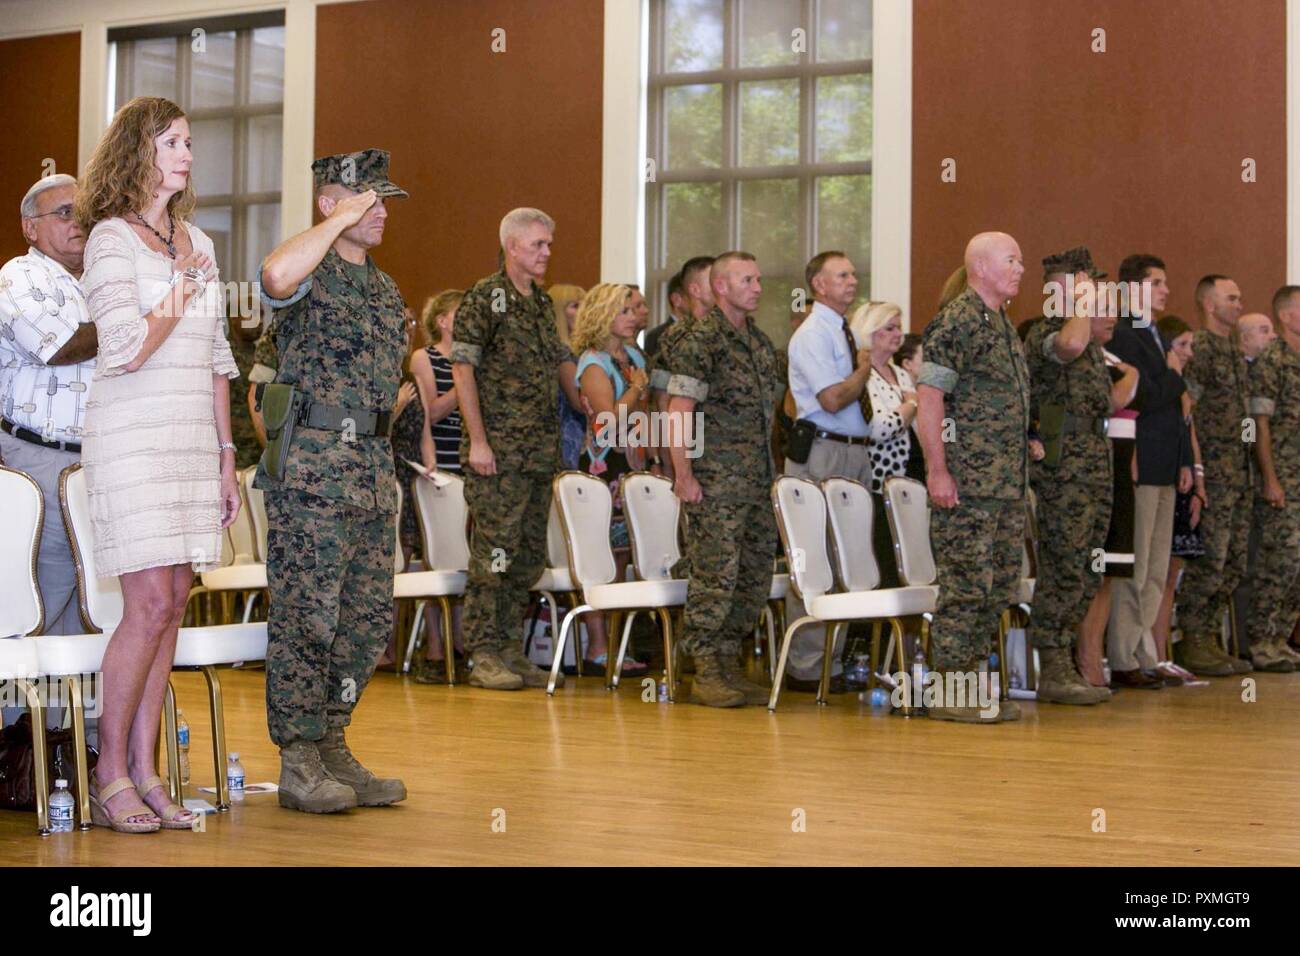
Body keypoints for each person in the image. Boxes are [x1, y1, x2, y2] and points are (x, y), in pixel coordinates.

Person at [75, 96, 239, 831]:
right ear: (138, 150)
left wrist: (227, 455)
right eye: (173, 141)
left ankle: (148, 770)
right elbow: (124, 348)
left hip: (190, 444)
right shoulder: (110, 240)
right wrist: (181, 287)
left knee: (173, 601)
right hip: (132, 438)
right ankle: (108, 771)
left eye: (190, 142)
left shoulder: (199, 241)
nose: (187, 154)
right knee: (144, 604)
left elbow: (217, 360)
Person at [255, 148, 410, 813]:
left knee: (365, 623)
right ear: (329, 205)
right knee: (306, 618)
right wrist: (331, 220)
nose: (380, 213)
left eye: (384, 202)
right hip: (314, 470)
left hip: (372, 469)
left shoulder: (384, 287)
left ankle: (333, 741)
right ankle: (297, 758)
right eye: (366, 200)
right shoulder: (308, 270)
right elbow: (273, 274)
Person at [452, 208, 572, 691]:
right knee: (494, 554)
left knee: (525, 557)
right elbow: (463, 371)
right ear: (512, 246)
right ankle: (483, 653)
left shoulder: (541, 304)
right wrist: (478, 440)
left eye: (549, 244)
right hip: (498, 452)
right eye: (538, 244)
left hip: (537, 452)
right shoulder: (487, 297)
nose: (546, 252)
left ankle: (509, 648)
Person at [917, 232, 1030, 722]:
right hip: (967, 484)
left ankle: (972, 682)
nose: (1022, 268)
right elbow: (930, 400)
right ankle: (949, 691)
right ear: (981, 267)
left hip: (1003, 485)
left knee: (999, 588)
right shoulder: (957, 320)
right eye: (1012, 259)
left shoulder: (1002, 324)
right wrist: (937, 470)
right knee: (966, 587)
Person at [666, 251, 782, 707]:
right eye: (747, 280)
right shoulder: (701, 341)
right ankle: (705, 669)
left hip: (754, 480)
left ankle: (728, 661)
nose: (757, 287)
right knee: (715, 575)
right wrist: (683, 474)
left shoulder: (757, 341)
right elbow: (679, 411)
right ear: (720, 288)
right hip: (715, 481)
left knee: (751, 576)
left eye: (758, 278)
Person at [1025, 247, 1138, 704]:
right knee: (1064, 564)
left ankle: (1067, 659)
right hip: (1063, 468)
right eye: (1086, 282)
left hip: (1094, 461)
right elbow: (1068, 345)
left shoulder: (1093, 347)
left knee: (1090, 566)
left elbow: (1108, 404)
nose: (1096, 291)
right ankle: (1053, 665)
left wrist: (1131, 375)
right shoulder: (1046, 332)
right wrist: (1082, 303)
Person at [0, 174, 95, 640]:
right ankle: (20, 710)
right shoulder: (20, 276)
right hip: (40, 454)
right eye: (63, 213)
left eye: (84, 212)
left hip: (94, 457)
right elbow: (60, 347)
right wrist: (134, 321)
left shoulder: (97, 278)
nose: (78, 222)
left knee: (89, 588)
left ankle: (66, 714)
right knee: (45, 583)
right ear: (30, 227)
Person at [780, 251, 871, 691]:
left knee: (846, 557)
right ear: (818, 284)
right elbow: (833, 399)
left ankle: (831, 663)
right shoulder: (813, 334)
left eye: (853, 274)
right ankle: (805, 665)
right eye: (842, 275)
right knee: (815, 556)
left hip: (852, 451)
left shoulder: (843, 330)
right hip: (823, 450)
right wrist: (865, 370)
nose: (852, 281)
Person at [1103, 255, 1192, 688]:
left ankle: (1146, 652)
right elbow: (1140, 397)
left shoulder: (1151, 332)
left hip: (1163, 462)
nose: (1165, 291)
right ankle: (1122, 656)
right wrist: (1175, 376)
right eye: (1157, 283)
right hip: (1140, 460)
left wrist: (1184, 462)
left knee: (1157, 569)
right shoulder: (1123, 331)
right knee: (1135, 567)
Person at [571, 282, 651, 675]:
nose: (638, 314)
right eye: (627, 309)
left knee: (625, 556)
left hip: (634, 462)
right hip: (605, 467)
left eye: (637, 308)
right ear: (604, 314)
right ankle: (598, 646)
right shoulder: (593, 363)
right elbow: (606, 423)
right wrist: (636, 388)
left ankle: (621, 644)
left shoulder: (635, 355)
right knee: (603, 557)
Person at [1176, 275, 1254, 676]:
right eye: (1232, 298)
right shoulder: (1202, 348)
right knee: (1209, 558)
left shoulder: (1233, 351)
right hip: (1215, 474)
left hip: (1238, 473)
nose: (1240, 305)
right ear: (1209, 304)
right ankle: (1192, 638)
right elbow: (1188, 409)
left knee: (1233, 563)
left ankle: (1208, 636)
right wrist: (1197, 466)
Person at [1244, 288, 1300, 669]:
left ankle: (1281, 638)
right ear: (1284, 315)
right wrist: (1270, 477)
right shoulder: (1272, 361)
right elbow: (1259, 423)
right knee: (1279, 560)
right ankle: (1262, 640)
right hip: (1284, 477)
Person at [849, 300, 919, 588]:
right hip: (876, 481)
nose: (897, 335)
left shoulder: (900, 374)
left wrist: (910, 409)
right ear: (869, 332)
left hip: (908, 478)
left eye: (899, 328)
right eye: (889, 328)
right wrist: (909, 406)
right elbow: (878, 427)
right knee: (882, 560)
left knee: (909, 560)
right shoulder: (861, 373)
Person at [1151, 316, 1205, 665]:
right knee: (1160, 571)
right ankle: (1153, 652)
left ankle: (1161, 653)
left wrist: (1199, 479)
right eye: (1182, 345)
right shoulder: (1166, 384)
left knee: (1172, 573)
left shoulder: (1183, 386)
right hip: (1164, 476)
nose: (1188, 353)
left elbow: (1189, 433)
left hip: (1184, 480)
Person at [648, 256, 714, 478]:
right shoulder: (675, 338)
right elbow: (663, 405)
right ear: (695, 289)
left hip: (725, 454)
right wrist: (670, 464)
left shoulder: (728, 333)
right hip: (689, 452)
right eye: (712, 280)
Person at [549, 283, 587, 471]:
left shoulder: (583, 351)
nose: (582, 312)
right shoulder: (560, 351)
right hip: (567, 436)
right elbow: (578, 400)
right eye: (575, 306)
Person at [896, 332, 927, 480]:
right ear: (907, 364)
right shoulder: (897, 398)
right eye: (926, 359)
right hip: (906, 473)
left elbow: (949, 433)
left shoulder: (933, 396)